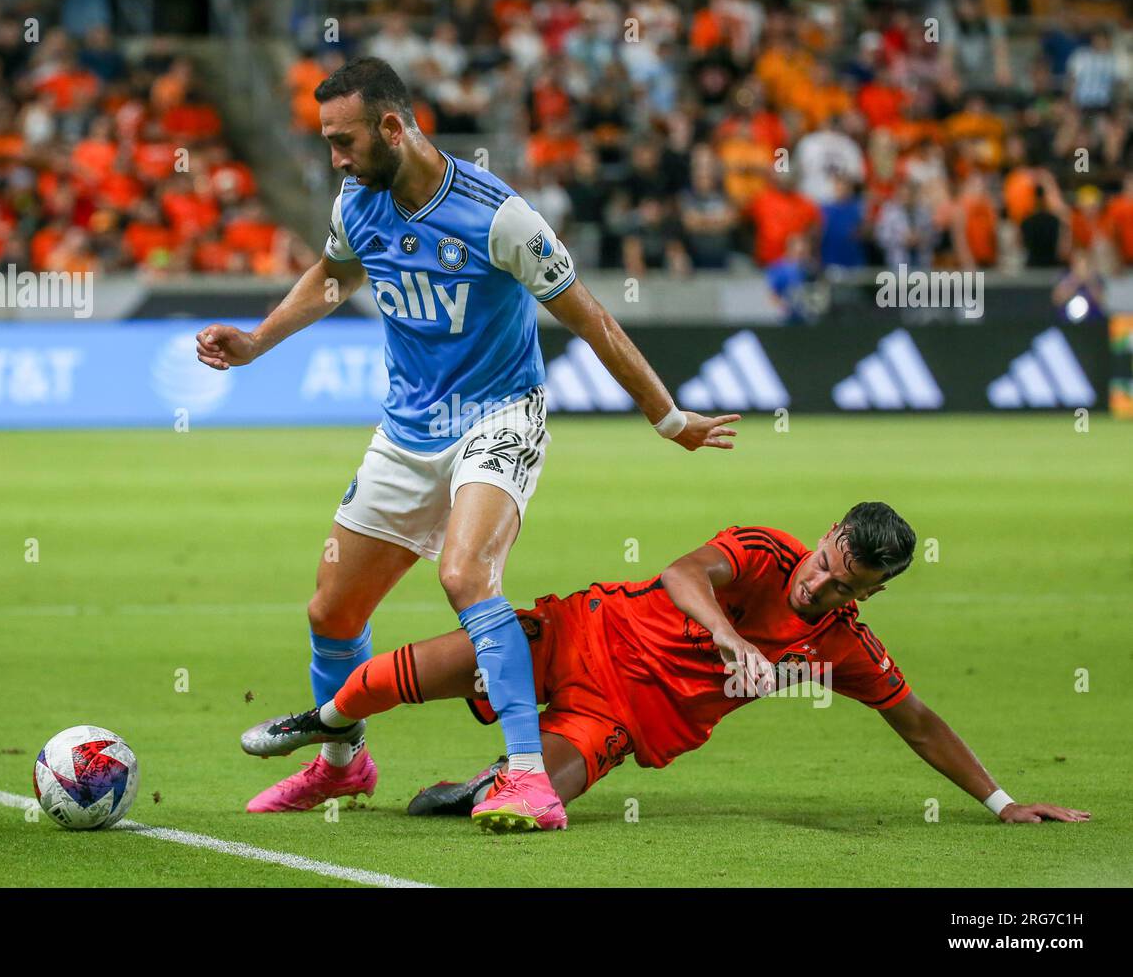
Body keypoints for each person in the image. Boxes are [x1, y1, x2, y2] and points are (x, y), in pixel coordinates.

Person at [197, 57, 740, 832]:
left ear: (394, 126)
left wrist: (668, 418)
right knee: (331, 610)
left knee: (465, 574)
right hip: (407, 429)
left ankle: (529, 778)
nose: (336, 160)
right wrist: (255, 343)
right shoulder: (359, 202)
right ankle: (343, 766)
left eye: (345, 141)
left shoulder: (500, 217)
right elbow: (332, 275)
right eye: (328, 144)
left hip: (500, 417)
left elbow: (593, 320)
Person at [246, 502, 1091, 829]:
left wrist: (1004, 802)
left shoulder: (844, 648)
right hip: (577, 635)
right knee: (391, 679)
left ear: (873, 589)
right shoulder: (761, 552)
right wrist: (731, 641)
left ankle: (495, 778)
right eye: (827, 559)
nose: (821, 580)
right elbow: (685, 574)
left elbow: (917, 720)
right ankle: (324, 736)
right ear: (827, 536)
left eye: (845, 583)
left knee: (538, 810)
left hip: (620, 721)